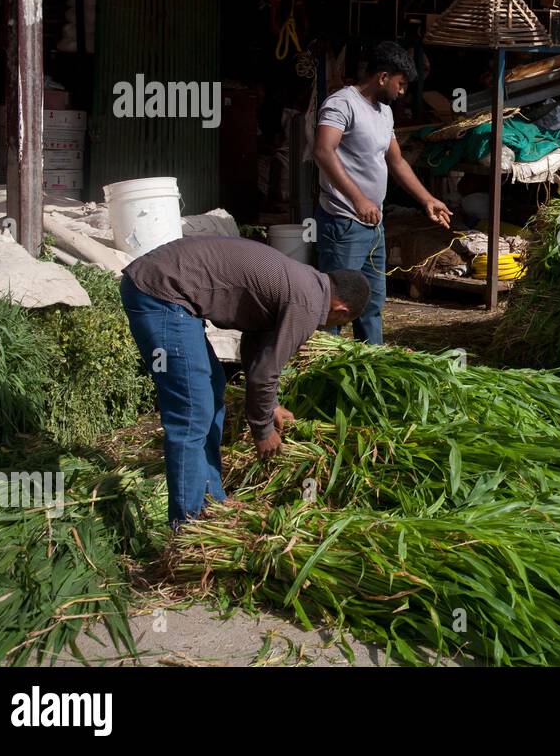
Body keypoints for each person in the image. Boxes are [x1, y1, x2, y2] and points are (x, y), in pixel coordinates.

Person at [120, 236, 372, 527]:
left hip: (168, 289)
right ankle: (187, 525)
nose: (327, 329)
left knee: (212, 392)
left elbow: (257, 350)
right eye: (337, 325)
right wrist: (262, 430)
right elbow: (267, 372)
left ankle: (211, 501)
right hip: (162, 294)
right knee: (192, 411)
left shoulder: (305, 284)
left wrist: (272, 405)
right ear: (340, 310)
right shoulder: (307, 304)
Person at [313, 40, 451, 344]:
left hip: (374, 225)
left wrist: (427, 198)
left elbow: (396, 160)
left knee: (372, 302)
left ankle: (370, 365)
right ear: (383, 77)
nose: (402, 92)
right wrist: (358, 198)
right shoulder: (341, 103)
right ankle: (319, 366)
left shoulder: (384, 112)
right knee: (335, 302)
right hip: (344, 222)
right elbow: (323, 151)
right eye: (400, 84)